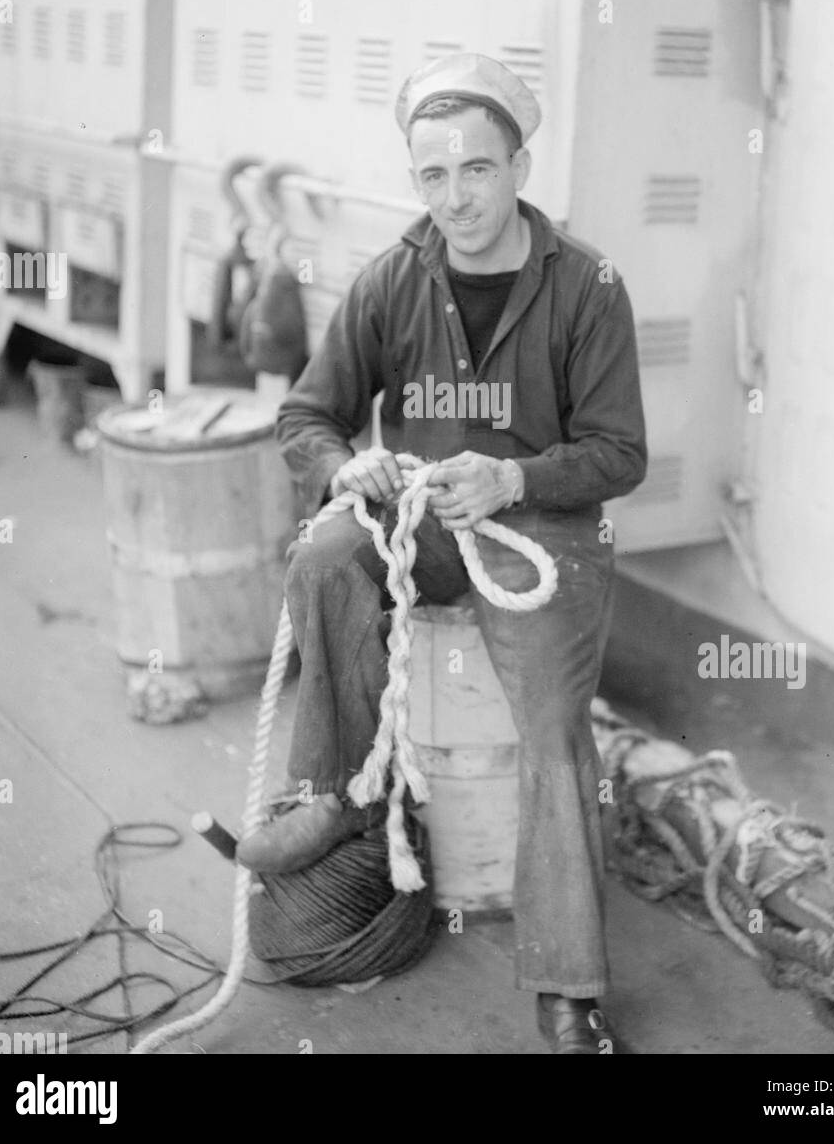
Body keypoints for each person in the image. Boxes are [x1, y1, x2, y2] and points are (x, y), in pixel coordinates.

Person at [237, 53, 647, 1054]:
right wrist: (345, 466)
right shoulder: (390, 279)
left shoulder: (586, 286)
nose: (455, 197)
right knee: (327, 556)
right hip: (420, 521)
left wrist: (517, 480)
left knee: (552, 733)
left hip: (540, 528)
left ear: (519, 164)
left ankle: (567, 990)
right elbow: (306, 413)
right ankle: (335, 791)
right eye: (432, 174)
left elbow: (620, 453)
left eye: (476, 169)